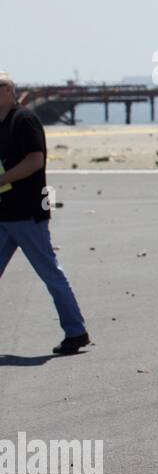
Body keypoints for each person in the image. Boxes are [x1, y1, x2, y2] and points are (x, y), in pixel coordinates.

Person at [0, 71, 90, 355]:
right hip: (3, 215)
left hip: (27, 212)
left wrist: (3, 179)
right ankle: (76, 331)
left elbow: (36, 161)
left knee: (50, 273)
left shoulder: (24, 120)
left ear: (10, 91)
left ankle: (76, 332)